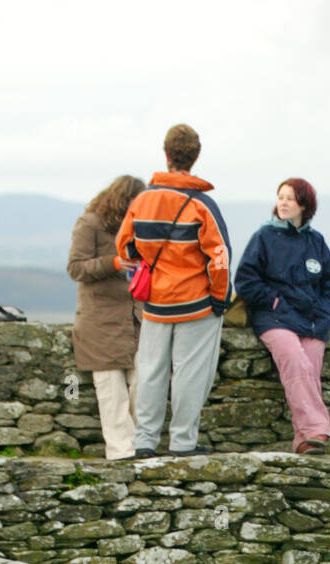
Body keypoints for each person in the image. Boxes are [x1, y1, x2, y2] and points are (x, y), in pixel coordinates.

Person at [115, 123, 231, 458]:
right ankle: (183, 442)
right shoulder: (201, 205)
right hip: (195, 304)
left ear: (166, 155)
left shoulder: (142, 201)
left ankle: (145, 442)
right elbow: (219, 256)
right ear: (195, 158)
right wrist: (219, 298)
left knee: (151, 372)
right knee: (189, 374)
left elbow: (124, 251)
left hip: (155, 303)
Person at [234, 178, 330, 455]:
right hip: (275, 319)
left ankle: (303, 442)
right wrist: (273, 300)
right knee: (295, 361)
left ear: (304, 205)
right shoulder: (264, 237)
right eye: (280, 197)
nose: (283, 203)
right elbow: (245, 280)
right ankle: (317, 429)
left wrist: (324, 307)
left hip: (312, 321)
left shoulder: (316, 241)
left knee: (310, 370)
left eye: (290, 198)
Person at [67, 175, 145, 460]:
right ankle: (121, 452)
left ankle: (140, 446)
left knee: (143, 382)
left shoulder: (138, 227)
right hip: (99, 320)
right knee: (111, 390)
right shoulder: (90, 224)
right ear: (120, 201)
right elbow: (76, 267)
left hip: (133, 318)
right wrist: (112, 263)